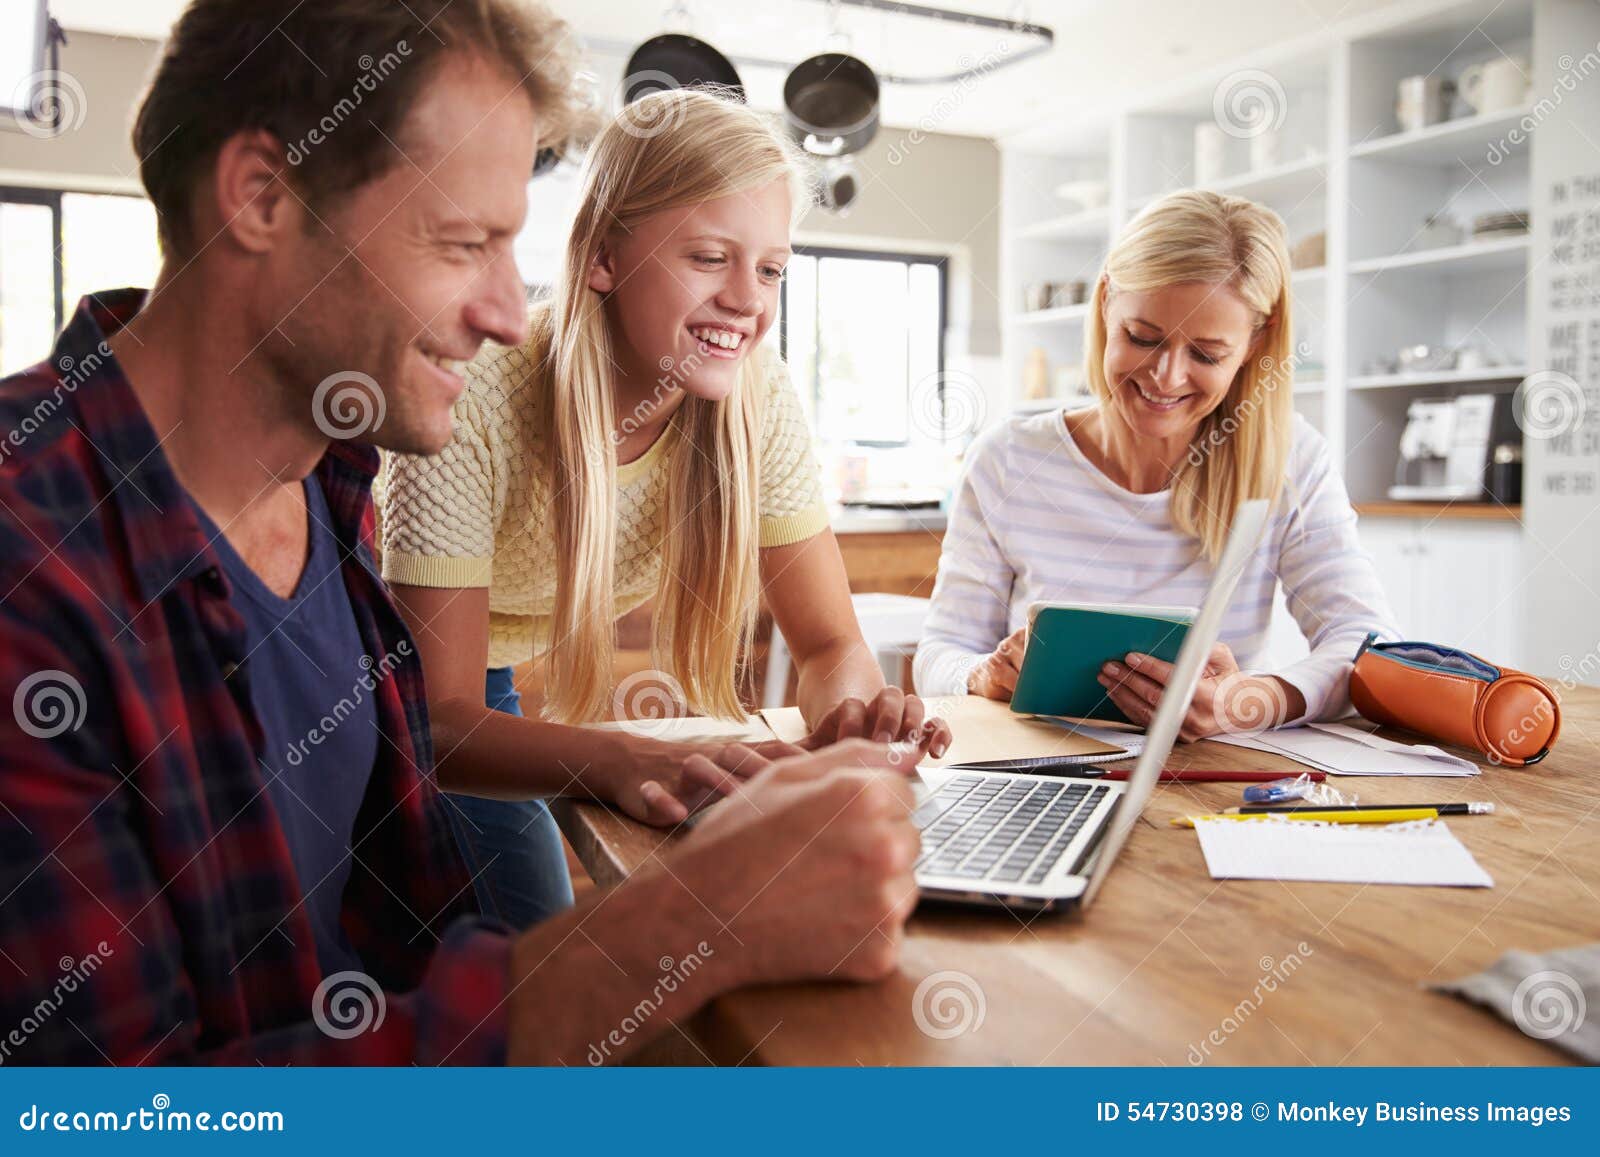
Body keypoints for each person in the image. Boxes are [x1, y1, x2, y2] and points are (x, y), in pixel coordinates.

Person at [0, 0, 919, 1066]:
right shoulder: (32, 560)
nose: (508, 313)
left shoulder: (327, 492)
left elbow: (383, 968)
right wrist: (677, 925)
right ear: (261, 196)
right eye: (463, 242)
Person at [375, 87, 950, 930]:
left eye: (771, 269)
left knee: (533, 935)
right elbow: (438, 718)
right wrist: (623, 757)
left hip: (473, 688)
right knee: (480, 943)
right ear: (604, 256)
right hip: (363, 677)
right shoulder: (477, 394)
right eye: (710, 257)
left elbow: (831, 644)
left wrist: (852, 725)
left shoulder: (756, 398)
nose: (748, 300)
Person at [915, 190, 1399, 739]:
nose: (1166, 378)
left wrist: (1252, 699)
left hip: (1215, 770)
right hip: (1039, 761)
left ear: (1252, 343)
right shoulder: (1008, 458)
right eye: (1143, 338)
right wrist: (983, 673)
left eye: (1206, 354)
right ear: (1105, 303)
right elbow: (939, 652)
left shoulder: (1291, 459)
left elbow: (1369, 642)